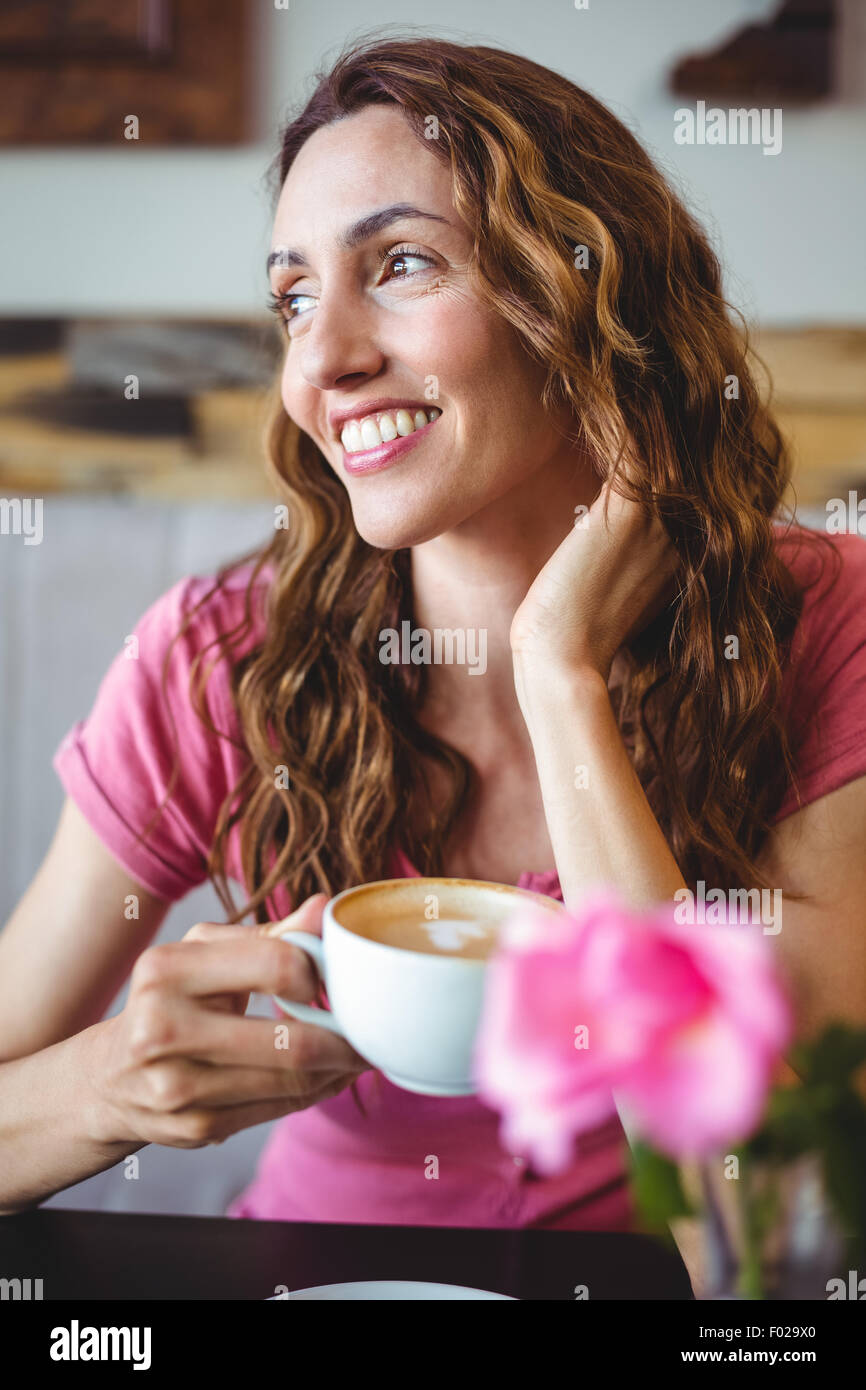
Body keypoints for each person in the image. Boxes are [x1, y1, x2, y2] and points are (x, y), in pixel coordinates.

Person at [2, 38, 865, 1284]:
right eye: (293, 295)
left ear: (583, 297)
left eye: (399, 264)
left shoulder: (814, 626)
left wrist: (557, 674)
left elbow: (769, 1248)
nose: (320, 358)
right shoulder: (222, 657)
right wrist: (110, 1089)